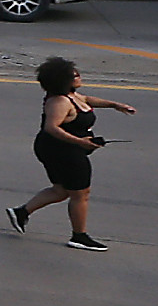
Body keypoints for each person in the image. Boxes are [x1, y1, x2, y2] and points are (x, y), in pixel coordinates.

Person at [8, 56, 136, 252]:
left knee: (61, 190)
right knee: (81, 194)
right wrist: (80, 142)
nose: (78, 77)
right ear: (62, 80)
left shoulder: (73, 96)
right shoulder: (59, 102)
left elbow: (87, 100)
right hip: (61, 151)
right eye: (74, 76)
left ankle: (21, 212)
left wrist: (115, 105)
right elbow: (51, 127)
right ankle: (79, 236)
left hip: (63, 149)